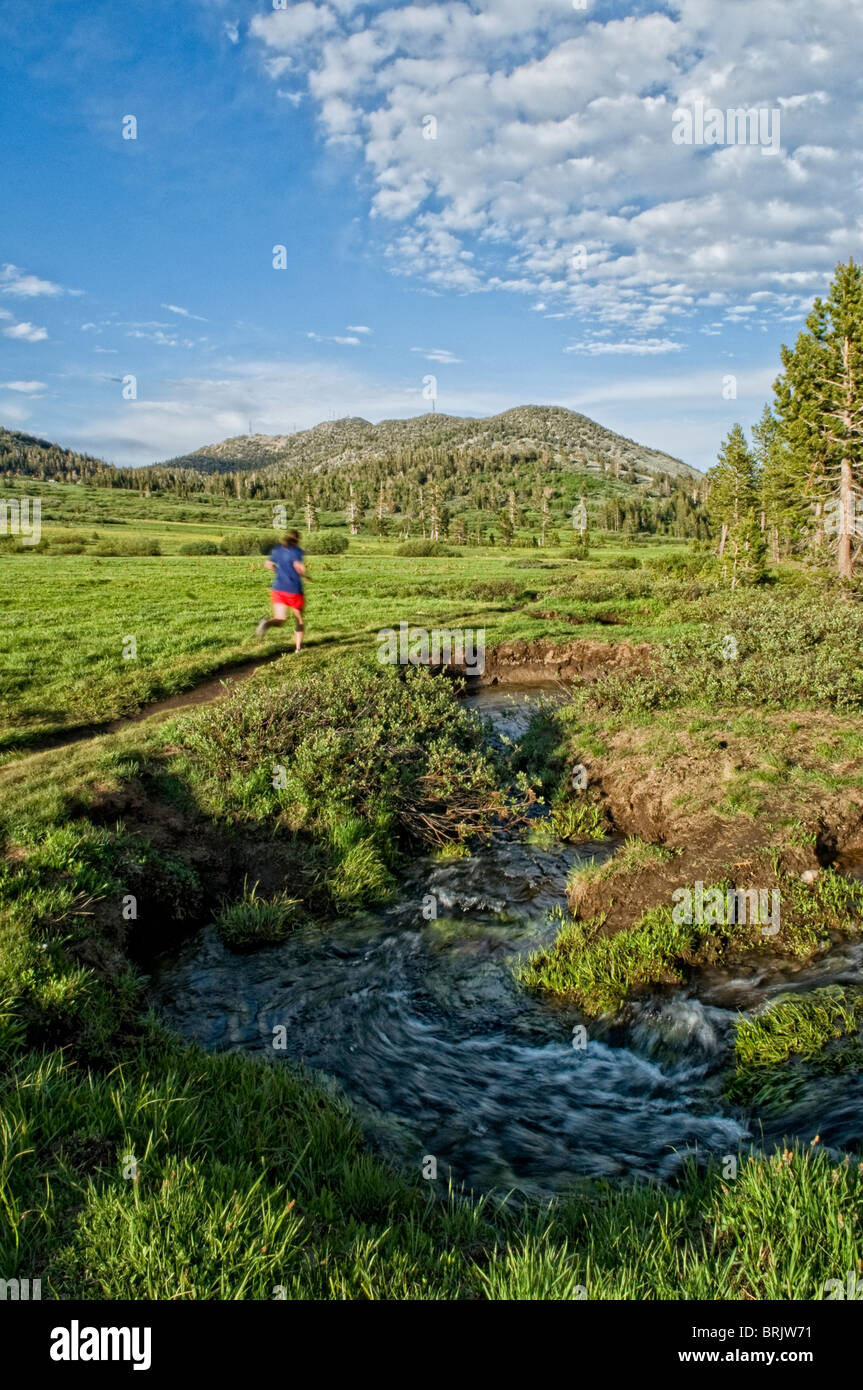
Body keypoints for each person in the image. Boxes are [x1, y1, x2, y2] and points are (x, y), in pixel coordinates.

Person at [256, 530, 307, 649]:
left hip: (278, 588)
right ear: (297, 539)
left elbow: (268, 564)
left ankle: (266, 623)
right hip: (294, 589)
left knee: (280, 618)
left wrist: (278, 571)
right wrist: (305, 576)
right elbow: (299, 567)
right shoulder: (297, 551)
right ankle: (298, 648)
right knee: (299, 619)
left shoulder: (277, 550)